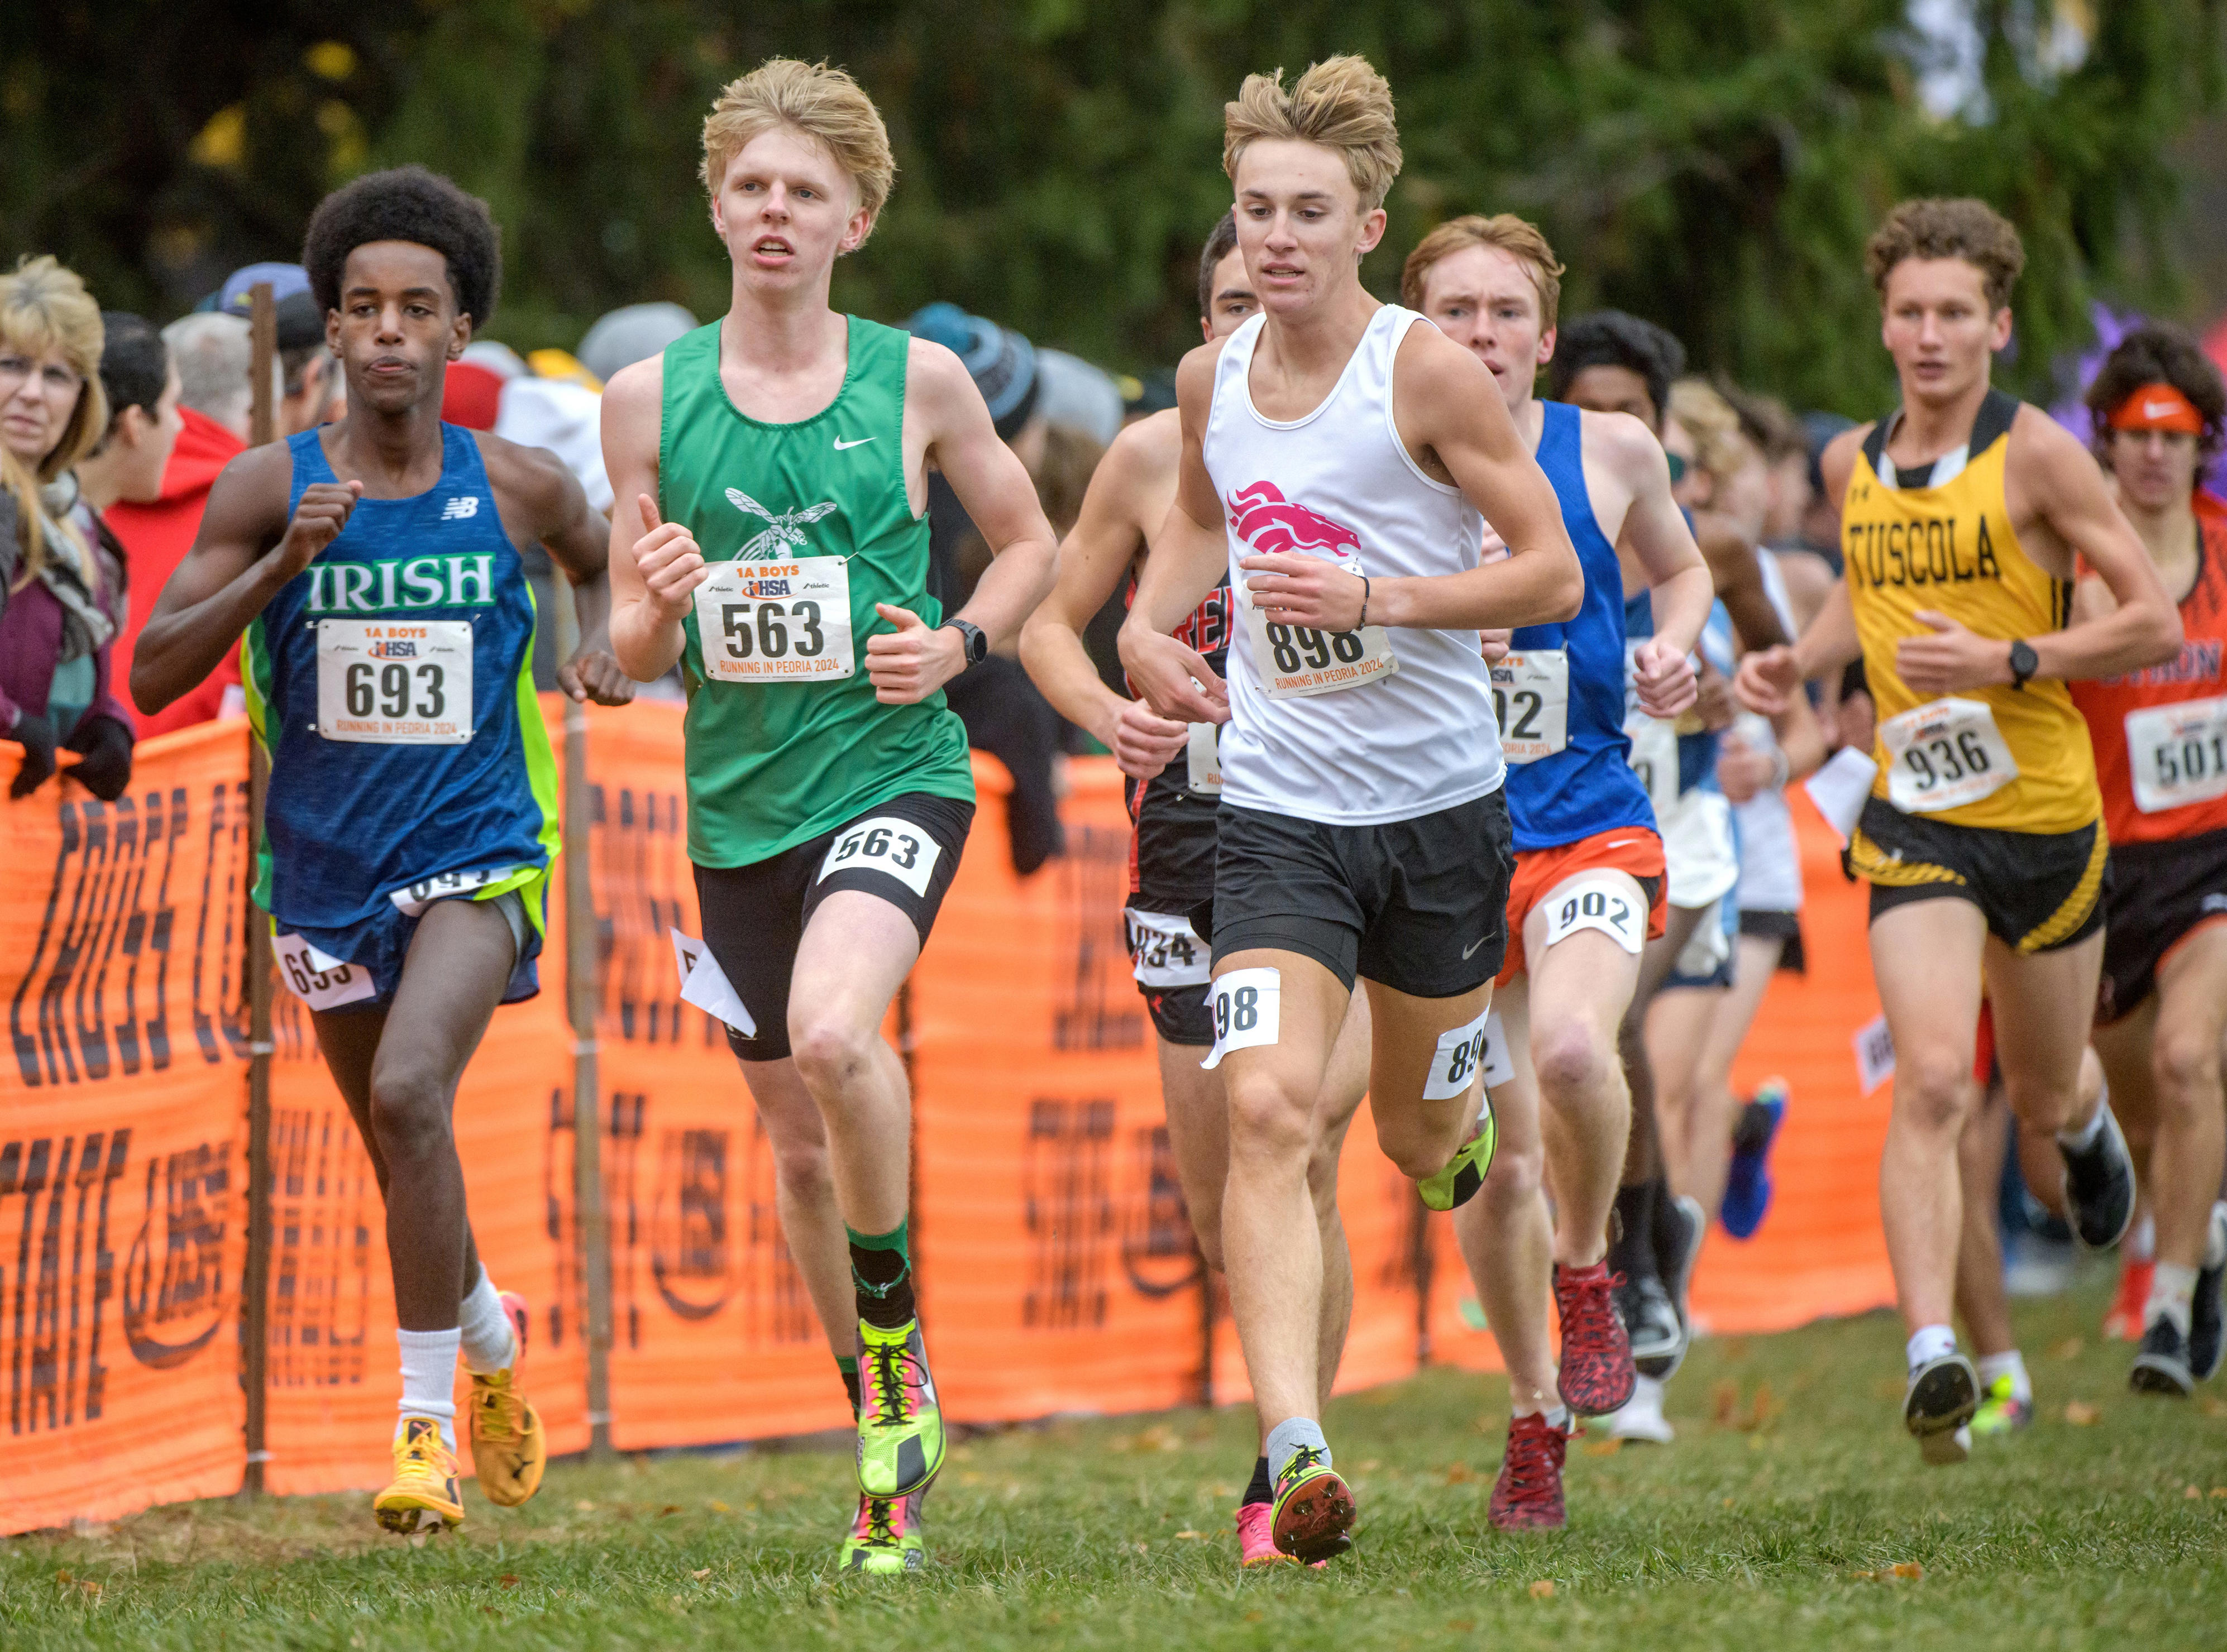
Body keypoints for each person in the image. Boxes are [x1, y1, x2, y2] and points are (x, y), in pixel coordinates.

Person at [1121, 58, 1583, 1563]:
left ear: (1365, 223)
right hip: (1277, 810)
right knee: (1262, 1105)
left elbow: (1548, 571)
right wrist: (1143, 629)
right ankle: (1295, 1448)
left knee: (1416, 1128)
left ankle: (1449, 1146)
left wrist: (1383, 594)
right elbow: (1196, 522)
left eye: (1306, 212)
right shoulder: (1210, 379)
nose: (1274, 237)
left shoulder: (1424, 374)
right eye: (1254, 209)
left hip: (1440, 813)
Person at [600, 59, 1058, 1576]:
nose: (774, 213)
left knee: (837, 1031)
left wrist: (960, 646)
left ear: (854, 217)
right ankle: (886, 1404)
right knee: (796, 1148)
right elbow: (632, 646)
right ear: (715, 206)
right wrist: (656, 607)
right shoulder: (641, 402)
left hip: (890, 768)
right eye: (751, 187)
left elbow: (1026, 539)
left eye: (805, 191)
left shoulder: (915, 377)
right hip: (736, 810)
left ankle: (884, 1334)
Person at [132, 165, 637, 1532]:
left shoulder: (519, 483)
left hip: (479, 854)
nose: (391, 331)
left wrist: (597, 641)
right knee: (392, 1135)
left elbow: (600, 555)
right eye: (364, 308)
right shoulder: (263, 488)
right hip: (320, 872)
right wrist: (276, 566)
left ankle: (419, 1433)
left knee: (415, 1091)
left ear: (459, 327)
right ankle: (487, 1332)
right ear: (338, 334)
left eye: (418, 307)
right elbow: (154, 667)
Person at [1737, 197, 2180, 1462]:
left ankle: (2086, 1119)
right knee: (1930, 1078)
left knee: (2040, 1093)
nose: (1927, 335)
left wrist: (2009, 654)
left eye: (1951, 313)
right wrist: (1797, 668)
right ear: (1880, 323)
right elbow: (1866, 606)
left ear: (1995, 323)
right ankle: (1931, 1348)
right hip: (1916, 816)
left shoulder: (2037, 454)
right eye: (1906, 312)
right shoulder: (1848, 465)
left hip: (2041, 823)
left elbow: (2145, 621)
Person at [1021, 211, 1371, 1565]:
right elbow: (1050, 626)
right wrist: (1106, 711)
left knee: (1296, 1136)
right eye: (1220, 308)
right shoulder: (1148, 454)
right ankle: (1287, 1423)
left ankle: (1287, 1463)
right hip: (1185, 845)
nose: (1242, 332)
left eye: (1262, 306)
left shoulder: (1371, 437)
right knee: (1222, 1191)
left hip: (1342, 834)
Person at [1399, 213, 1708, 1526]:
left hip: (1584, 813)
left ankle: (1591, 1271)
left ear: (1543, 331)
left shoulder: (1611, 449)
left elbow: (1679, 572)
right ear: (1417, 328)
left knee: (1582, 1056)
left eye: (1504, 311)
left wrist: (1670, 649)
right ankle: (1533, 1414)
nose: (1481, 334)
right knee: (1490, 1160)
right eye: (1454, 311)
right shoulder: (1377, 465)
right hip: (1440, 837)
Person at [1547, 323, 1771, 1417]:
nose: (1610, 424)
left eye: (1629, 407)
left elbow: (1785, 670)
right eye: (1587, 403)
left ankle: (1628, 1269)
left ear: (1661, 424)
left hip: (1677, 834)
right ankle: (1649, 1236)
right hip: (1557, 824)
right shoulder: (1522, 524)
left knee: (1616, 1031)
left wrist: (1752, 717)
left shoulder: (1707, 545)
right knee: (1584, 1063)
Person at [2068, 324, 2227, 1395]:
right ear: (2107, 439)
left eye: (2175, 435)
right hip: (2096, 859)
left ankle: (2168, 1308)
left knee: (2187, 1063)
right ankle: (2199, 1230)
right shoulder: (2068, 558)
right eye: (2133, 433)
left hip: (2209, 853)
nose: (2154, 455)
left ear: (2203, 444)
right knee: (2133, 1107)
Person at [1, 256, 136, 803]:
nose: (33, 392)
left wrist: (108, 727)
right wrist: (10, 722)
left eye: (55, 375)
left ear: (82, 398)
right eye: (12, 365)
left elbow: (71, 673)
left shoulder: (76, 520)